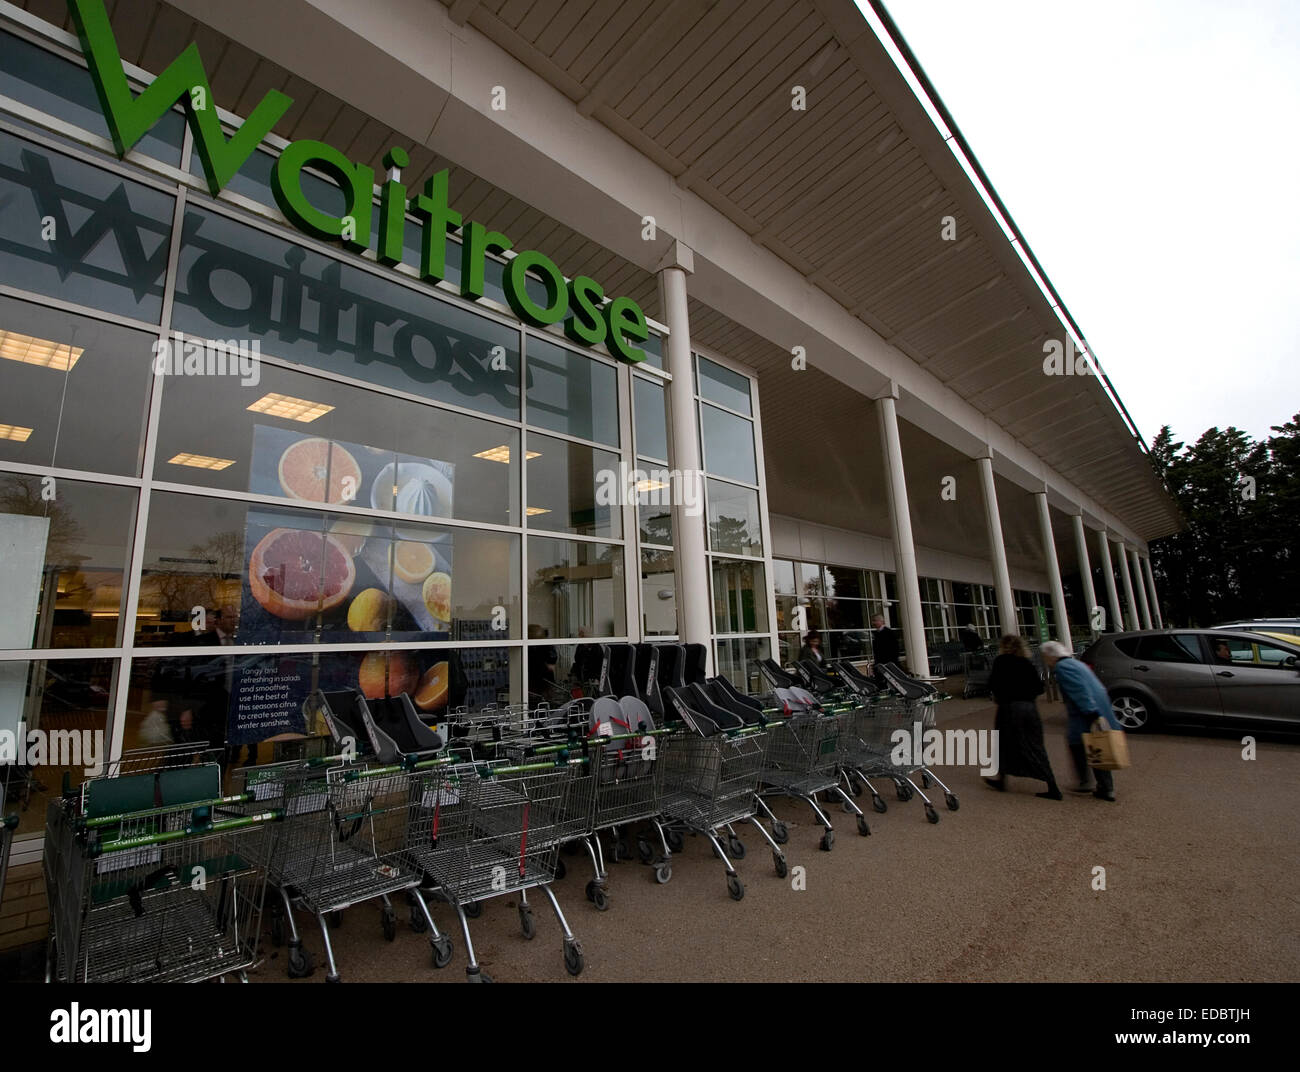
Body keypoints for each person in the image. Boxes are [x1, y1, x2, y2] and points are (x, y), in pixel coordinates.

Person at [1040, 639, 1123, 802]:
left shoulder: (1063, 668)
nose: (1045, 660)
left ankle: (1090, 783)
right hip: (1098, 707)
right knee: (1096, 746)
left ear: (1051, 655)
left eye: (1045, 656)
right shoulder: (1076, 664)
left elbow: (1079, 691)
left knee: (1082, 745)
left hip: (1084, 713)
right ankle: (1104, 786)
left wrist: (1091, 712)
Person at [985, 634, 1060, 799]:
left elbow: (992, 684)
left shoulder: (1001, 661)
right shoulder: (1027, 663)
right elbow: (1039, 688)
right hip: (1030, 709)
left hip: (1009, 708)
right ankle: (1052, 785)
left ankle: (1002, 778)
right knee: (1034, 745)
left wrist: (1001, 694)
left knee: (1004, 743)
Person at [870, 615, 898, 685]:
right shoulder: (876, 633)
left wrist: (891, 662)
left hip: (888, 662)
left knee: (891, 681)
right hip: (879, 662)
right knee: (880, 681)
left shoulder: (889, 632)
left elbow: (894, 648)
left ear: (881, 621)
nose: (873, 623)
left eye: (875, 621)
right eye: (873, 621)